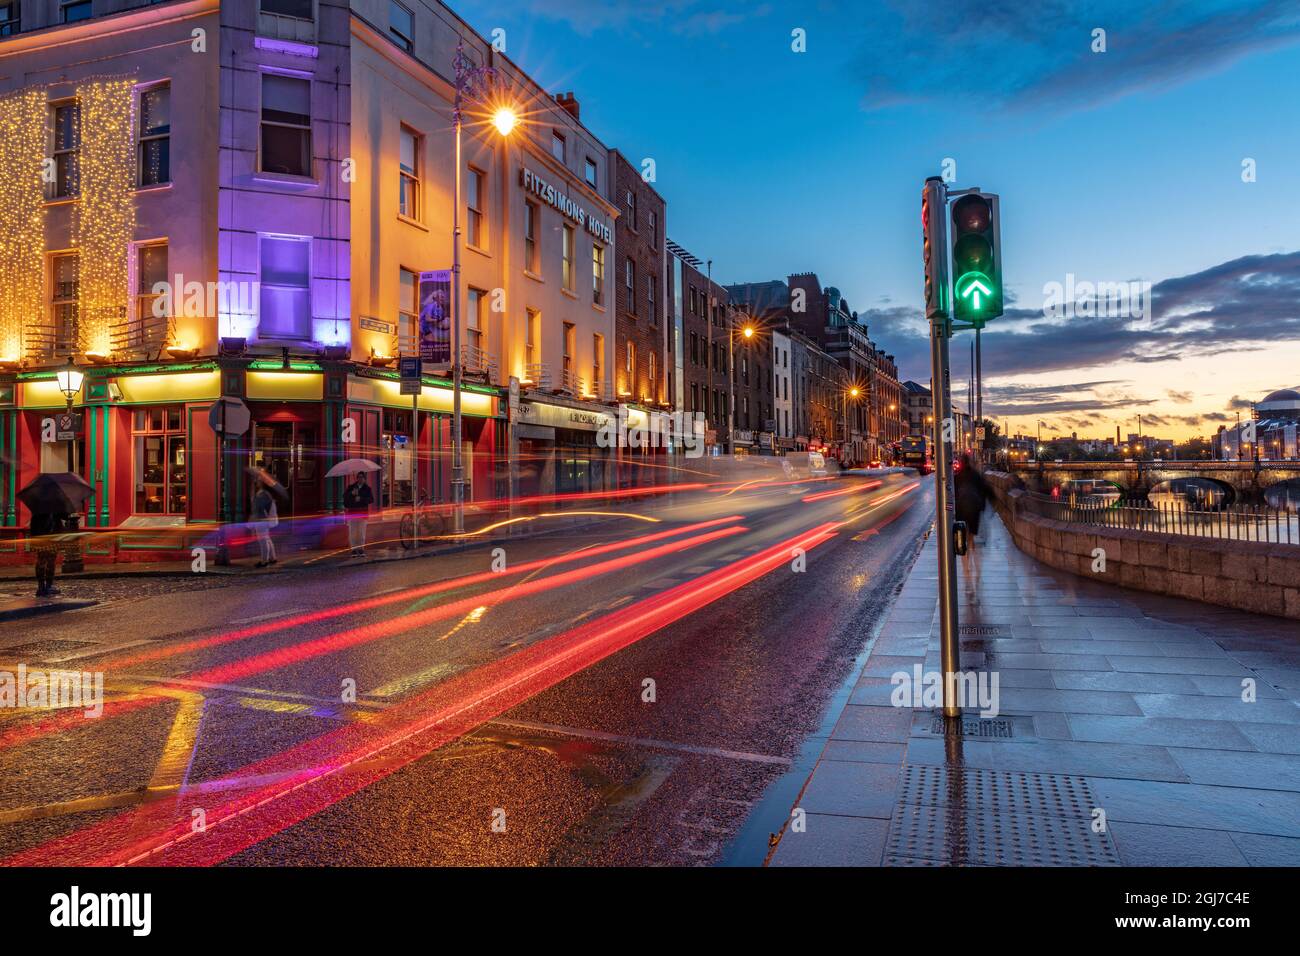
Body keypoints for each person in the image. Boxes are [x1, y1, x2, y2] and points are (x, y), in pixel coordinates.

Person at [954, 452, 991, 541]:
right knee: (972, 531)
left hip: (961, 507)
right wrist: (985, 504)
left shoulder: (957, 476)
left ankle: (965, 552)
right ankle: (971, 547)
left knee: (962, 529)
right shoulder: (976, 475)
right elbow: (986, 488)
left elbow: (954, 493)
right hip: (974, 507)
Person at [30, 509, 67, 597]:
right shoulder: (55, 505)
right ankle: (47, 586)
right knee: (49, 561)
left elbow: (34, 522)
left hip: (40, 536)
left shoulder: (37, 504)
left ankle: (42, 587)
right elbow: (65, 516)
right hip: (50, 536)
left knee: (41, 561)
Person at [342, 473, 373, 557]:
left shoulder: (367, 489)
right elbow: (345, 498)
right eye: (358, 477)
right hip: (352, 512)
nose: (360, 479)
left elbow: (371, 499)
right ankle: (354, 549)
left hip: (362, 513)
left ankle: (361, 549)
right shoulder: (351, 487)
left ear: (364, 479)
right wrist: (351, 494)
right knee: (353, 532)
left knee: (361, 532)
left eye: (362, 477)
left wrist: (361, 498)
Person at [251, 481, 278, 568]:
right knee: (267, 539)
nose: (257, 482)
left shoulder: (262, 495)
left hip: (261, 520)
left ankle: (264, 561)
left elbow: (258, 508)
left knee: (263, 541)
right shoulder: (266, 494)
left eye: (258, 481)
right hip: (264, 520)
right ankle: (272, 558)